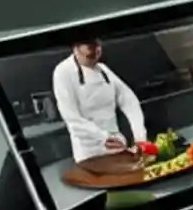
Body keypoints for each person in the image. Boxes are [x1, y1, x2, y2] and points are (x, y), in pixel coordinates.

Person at [51, 39, 148, 169]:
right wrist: (104, 137)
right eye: (89, 51)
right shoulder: (63, 72)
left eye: (97, 48)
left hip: (118, 148)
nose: (94, 54)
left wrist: (140, 136)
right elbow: (72, 118)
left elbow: (129, 101)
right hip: (90, 155)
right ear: (75, 48)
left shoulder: (103, 69)